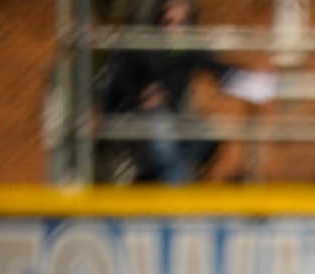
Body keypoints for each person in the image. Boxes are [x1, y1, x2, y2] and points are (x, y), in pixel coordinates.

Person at [97, 0, 235, 184]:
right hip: (134, 113)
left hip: (171, 119)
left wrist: (255, 79)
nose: (174, 28)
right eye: (169, 21)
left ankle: (159, 179)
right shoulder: (142, 46)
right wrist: (142, 96)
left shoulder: (188, 50)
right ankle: (171, 191)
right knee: (162, 125)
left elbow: (220, 69)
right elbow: (117, 81)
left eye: (182, 22)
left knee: (206, 136)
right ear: (159, 19)